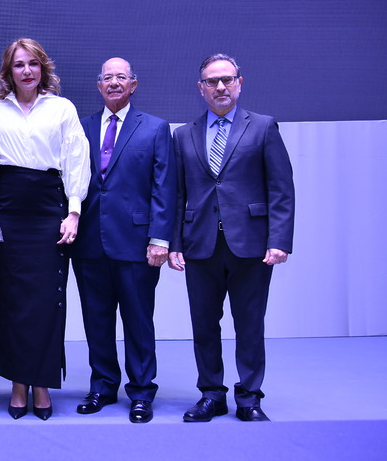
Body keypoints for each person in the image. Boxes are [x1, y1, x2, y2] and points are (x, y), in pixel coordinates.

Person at [168, 54, 294, 422]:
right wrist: (175, 243)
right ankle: (211, 394)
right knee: (204, 324)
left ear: (240, 82)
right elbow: (178, 195)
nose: (220, 87)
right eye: (212, 81)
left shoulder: (264, 127)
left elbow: (281, 189)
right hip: (199, 244)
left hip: (252, 244)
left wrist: (279, 240)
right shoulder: (183, 134)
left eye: (227, 80)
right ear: (201, 88)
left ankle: (250, 397)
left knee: (250, 323)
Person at [0, 38, 90, 420]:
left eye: (33, 64)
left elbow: (76, 159)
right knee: (11, 303)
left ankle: (41, 384)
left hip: (48, 210)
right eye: (18, 65)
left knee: (45, 303)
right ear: (8, 72)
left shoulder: (62, 108)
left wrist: (73, 212)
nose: (26, 71)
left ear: (43, 68)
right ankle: (17, 384)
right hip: (8, 210)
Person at [72, 58, 176, 424]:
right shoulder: (80, 128)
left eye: (121, 77)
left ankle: (142, 392)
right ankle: (102, 385)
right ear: (98, 86)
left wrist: (160, 238)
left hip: (137, 243)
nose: (114, 83)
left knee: (137, 320)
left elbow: (165, 188)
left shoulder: (156, 128)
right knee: (96, 320)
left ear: (133, 85)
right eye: (107, 78)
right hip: (87, 243)